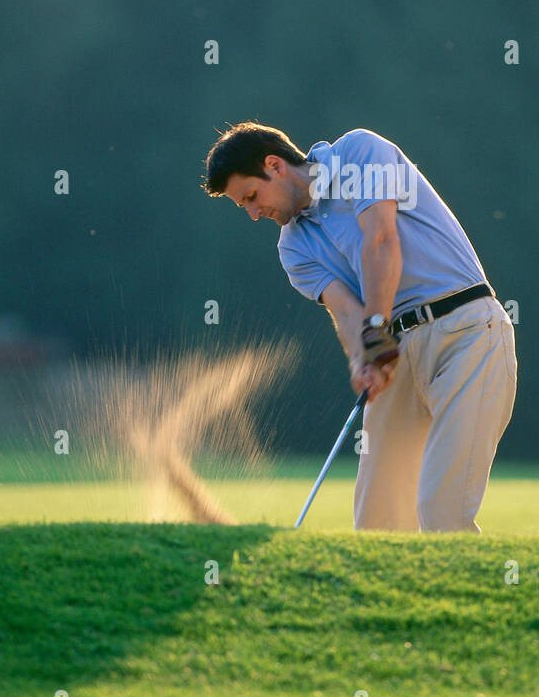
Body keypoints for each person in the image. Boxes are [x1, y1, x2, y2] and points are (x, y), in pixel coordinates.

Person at [203, 122, 518, 532]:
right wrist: (362, 360)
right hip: (397, 350)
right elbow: (346, 311)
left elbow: (383, 239)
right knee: (377, 523)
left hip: (468, 333)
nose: (253, 213)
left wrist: (374, 330)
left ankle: (474, 594)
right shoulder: (293, 248)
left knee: (442, 508)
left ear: (275, 165)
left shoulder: (358, 152)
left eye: (251, 196)